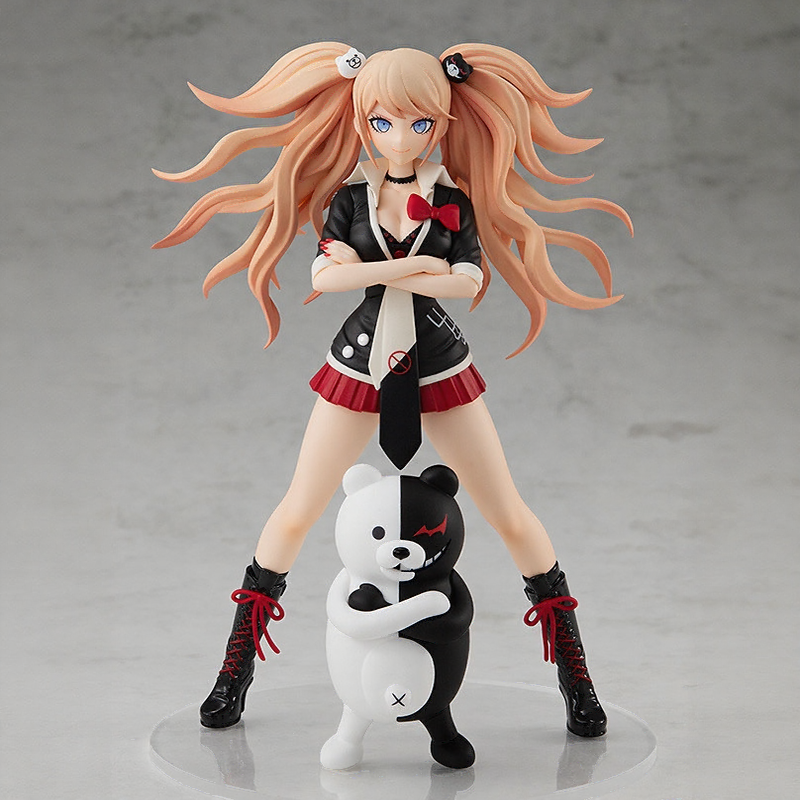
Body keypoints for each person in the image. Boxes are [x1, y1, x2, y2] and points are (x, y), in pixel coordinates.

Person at [153, 42, 633, 739]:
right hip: (358, 363)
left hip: (437, 362)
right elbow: (325, 278)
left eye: (418, 123)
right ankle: (234, 672)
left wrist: (378, 269)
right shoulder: (350, 201)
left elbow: (467, 283)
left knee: (509, 514)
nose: (400, 137)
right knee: (296, 511)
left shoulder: (453, 202)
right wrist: (410, 269)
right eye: (382, 122)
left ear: (441, 124)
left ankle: (577, 678)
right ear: (361, 122)